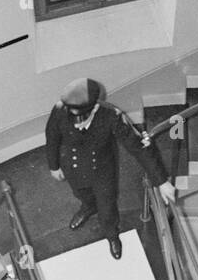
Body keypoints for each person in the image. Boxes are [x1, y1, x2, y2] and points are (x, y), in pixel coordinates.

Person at [45, 78, 177, 259]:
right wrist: (54, 166)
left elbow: (139, 147)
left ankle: (112, 235)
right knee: (82, 194)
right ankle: (88, 208)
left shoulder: (111, 116)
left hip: (101, 169)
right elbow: (51, 136)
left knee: (107, 209)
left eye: (82, 118)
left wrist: (161, 181)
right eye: (73, 118)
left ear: (95, 108)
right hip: (73, 167)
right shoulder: (60, 110)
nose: (77, 124)